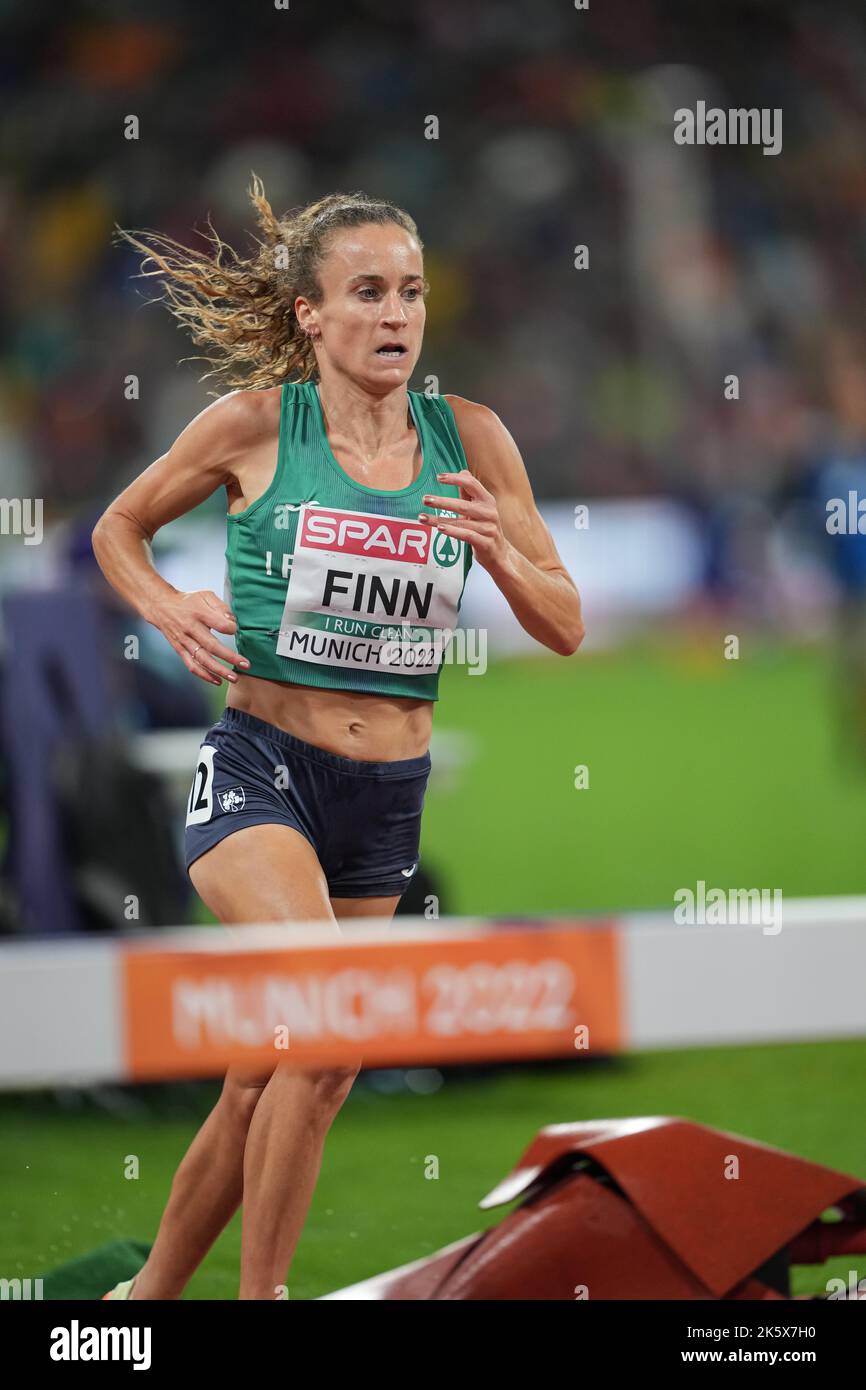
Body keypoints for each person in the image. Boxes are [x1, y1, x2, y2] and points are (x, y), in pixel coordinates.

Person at [92, 179, 584, 1300]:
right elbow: (119, 527)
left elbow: (563, 623)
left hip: (386, 794)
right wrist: (168, 607)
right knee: (328, 1030)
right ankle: (259, 1301)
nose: (396, 313)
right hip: (264, 769)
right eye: (366, 291)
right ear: (310, 314)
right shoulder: (258, 425)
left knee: (270, 1072)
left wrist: (498, 556)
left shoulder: (472, 439)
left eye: (409, 290)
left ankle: (149, 1298)